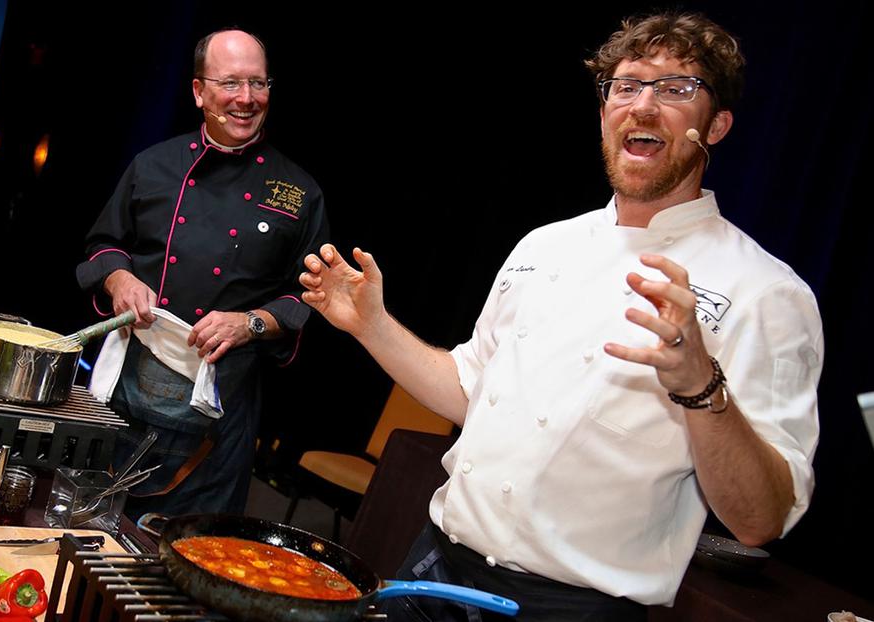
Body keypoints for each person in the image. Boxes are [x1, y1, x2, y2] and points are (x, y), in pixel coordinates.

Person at [298, 12, 821, 621]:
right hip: (433, 568)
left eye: (677, 88)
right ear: (604, 112)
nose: (643, 106)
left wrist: (700, 387)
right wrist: (372, 324)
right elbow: (469, 390)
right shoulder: (543, 244)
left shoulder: (767, 293)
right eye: (626, 86)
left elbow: (760, 520)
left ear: (718, 125)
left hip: (567, 609)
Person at [76, 28, 329, 517]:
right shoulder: (154, 165)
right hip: (124, 395)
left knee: (186, 555)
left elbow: (310, 297)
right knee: (85, 525)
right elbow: (102, 245)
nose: (246, 99)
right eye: (230, 83)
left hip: (221, 411)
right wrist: (120, 279)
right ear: (198, 91)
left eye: (259, 84)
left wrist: (251, 321)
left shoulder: (299, 192)